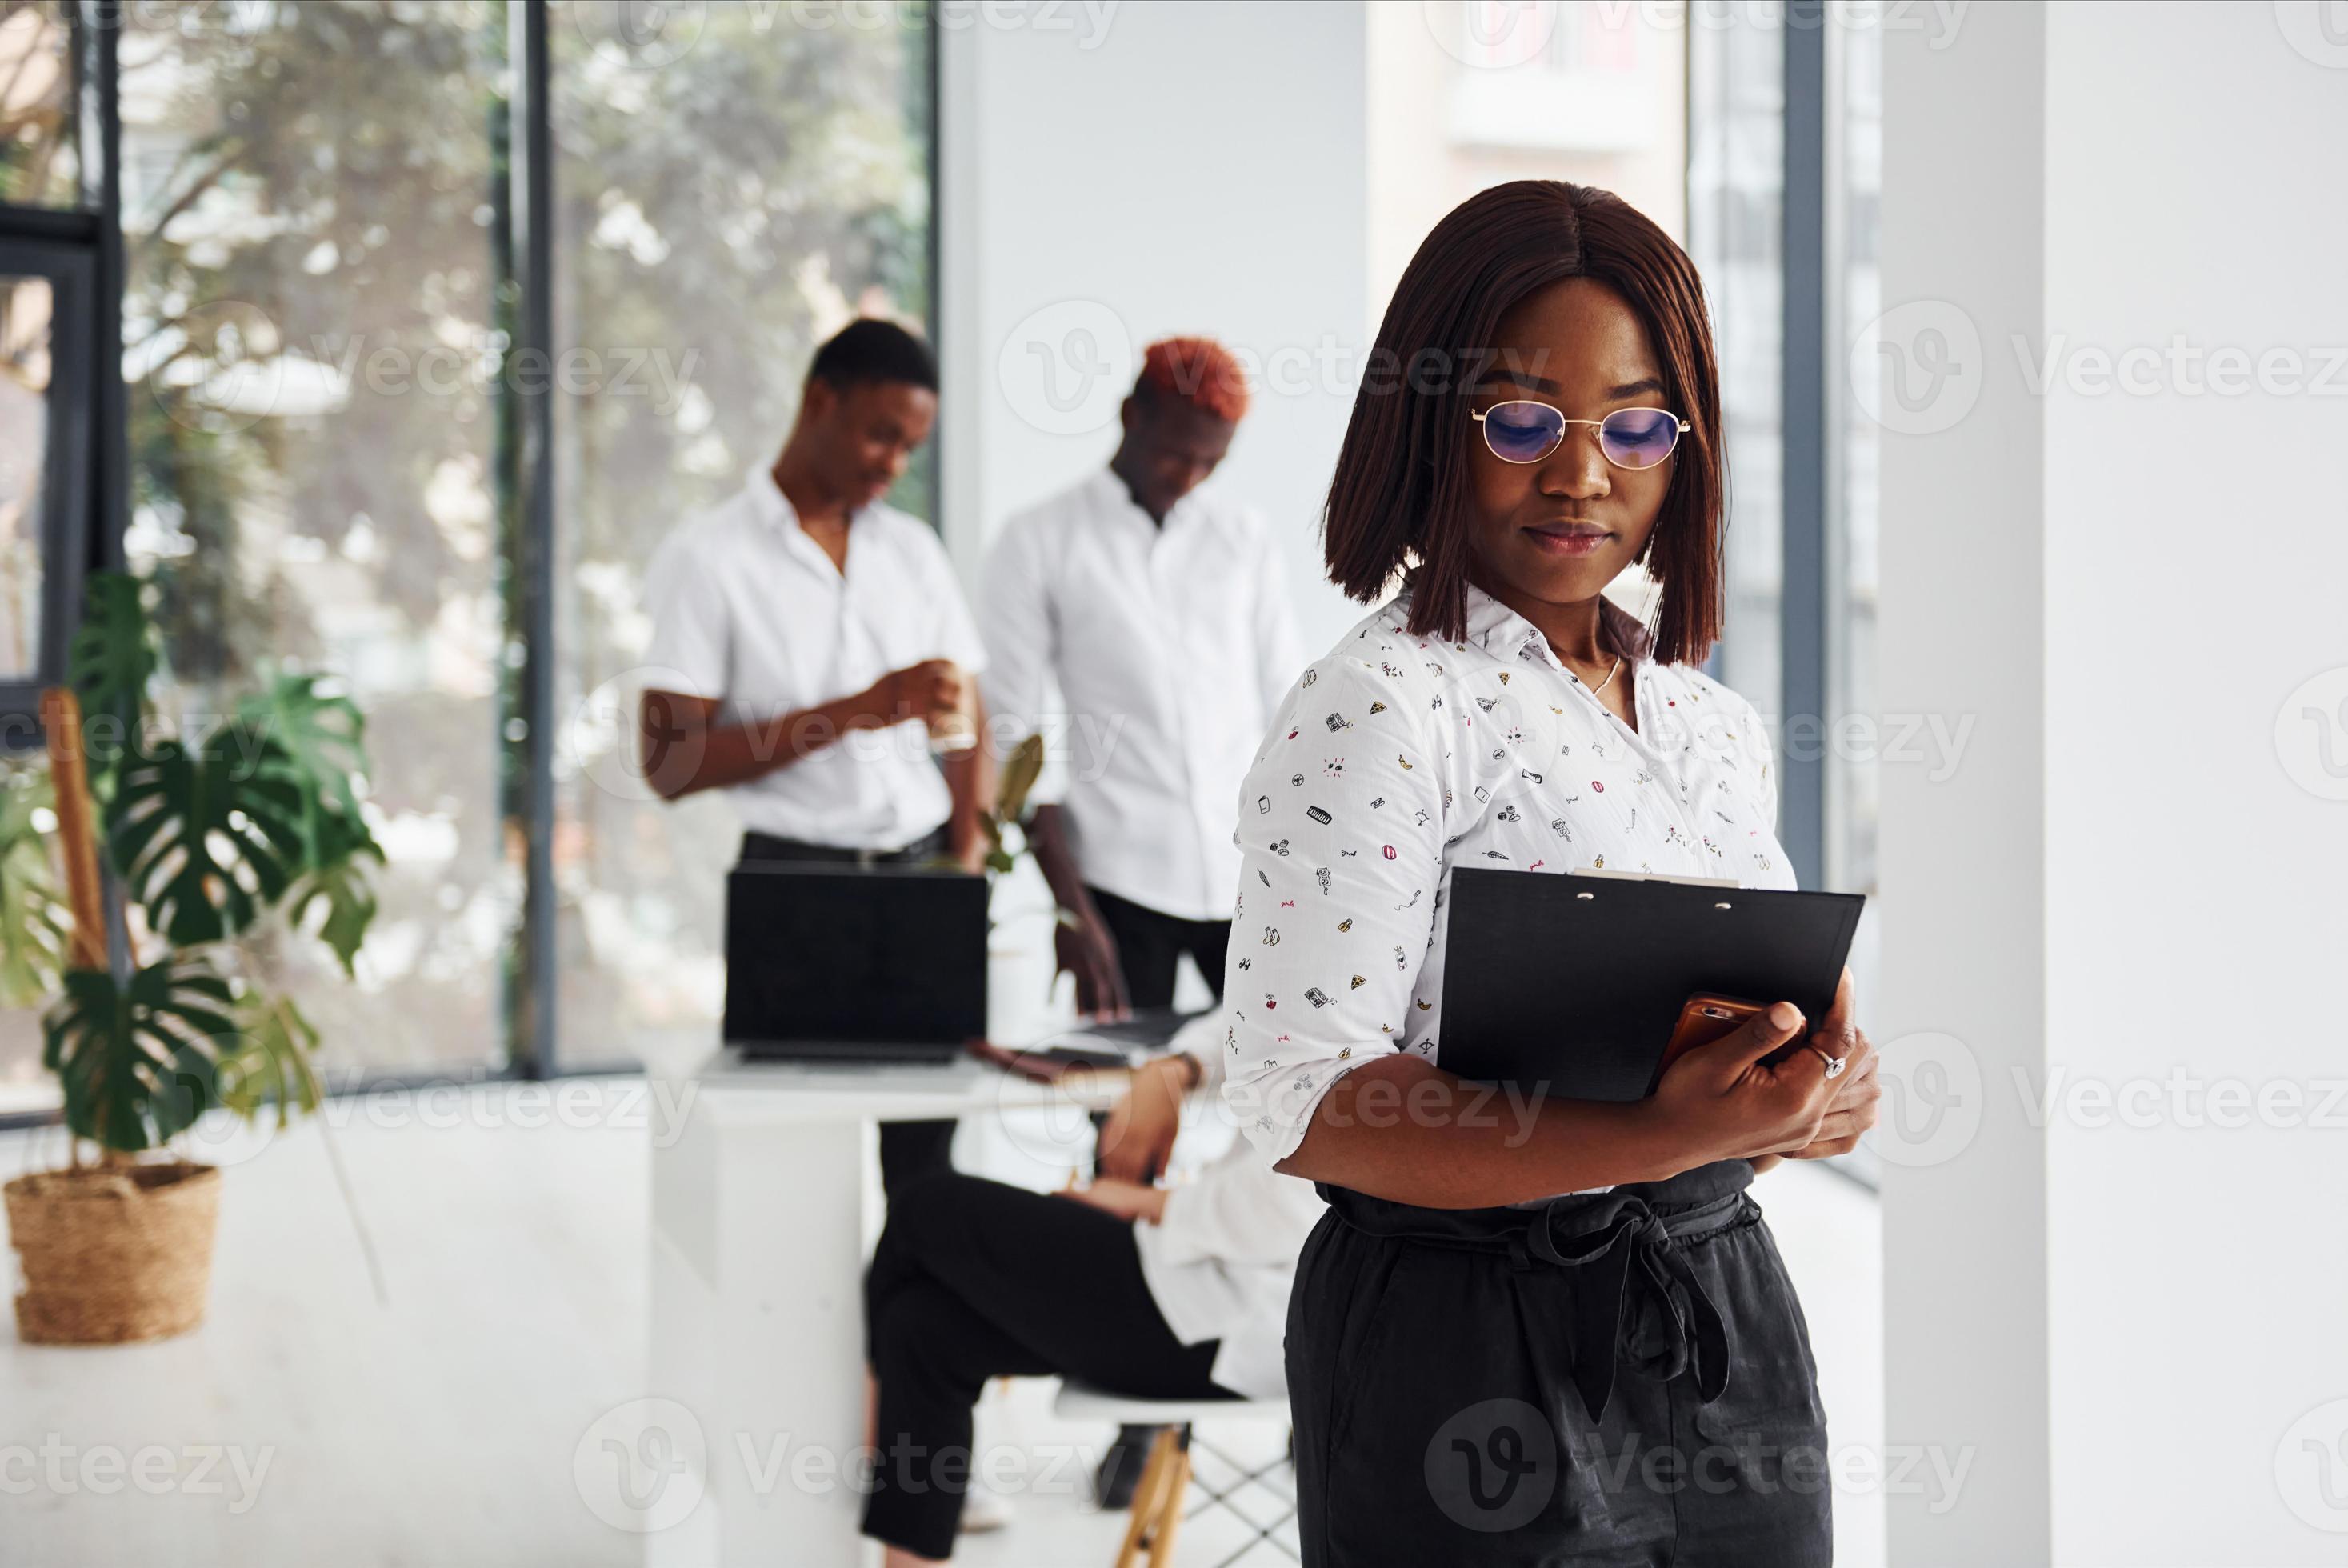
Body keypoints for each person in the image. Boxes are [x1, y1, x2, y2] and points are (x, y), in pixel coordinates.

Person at [1218, 181, 1882, 1563]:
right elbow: (1308, 1098)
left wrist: (1815, 1090)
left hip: (1717, 1312)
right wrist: (1663, 1135)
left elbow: (1750, 1038)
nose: (1581, 474)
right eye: (1521, 421)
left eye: (1636, 424)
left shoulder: (1709, 722)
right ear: (1428, 424)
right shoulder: (1384, 706)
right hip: (1464, 1339)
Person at [638, 316, 987, 1188]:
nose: (891, 464)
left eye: (909, 446)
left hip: (924, 879)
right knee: (790, 1172)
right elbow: (669, 763)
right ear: (817, 400)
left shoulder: (912, 552)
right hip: (792, 888)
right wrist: (859, 711)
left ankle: (904, 1331)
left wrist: (968, 858)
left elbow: (967, 713)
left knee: (926, 1174)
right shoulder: (709, 557)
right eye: (879, 434)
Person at [859, 1016, 1325, 1566]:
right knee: (924, 1327)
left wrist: (1146, 1205)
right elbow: (1249, 1014)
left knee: (925, 1210)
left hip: (1231, 1321)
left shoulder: (1371, 979)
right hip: (1199, 1284)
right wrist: (1175, 1069)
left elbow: (1302, 1206)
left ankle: (863, 1444)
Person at [980, 337, 1302, 1021]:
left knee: (1289, 1107)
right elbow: (1015, 738)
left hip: (1251, 877)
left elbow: (1289, 709)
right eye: (1175, 453)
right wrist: (1071, 915)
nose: (1189, 474)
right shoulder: (1038, 539)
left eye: (1210, 462)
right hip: (1116, 887)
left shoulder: (1242, 538)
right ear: (1132, 415)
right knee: (1122, 1115)